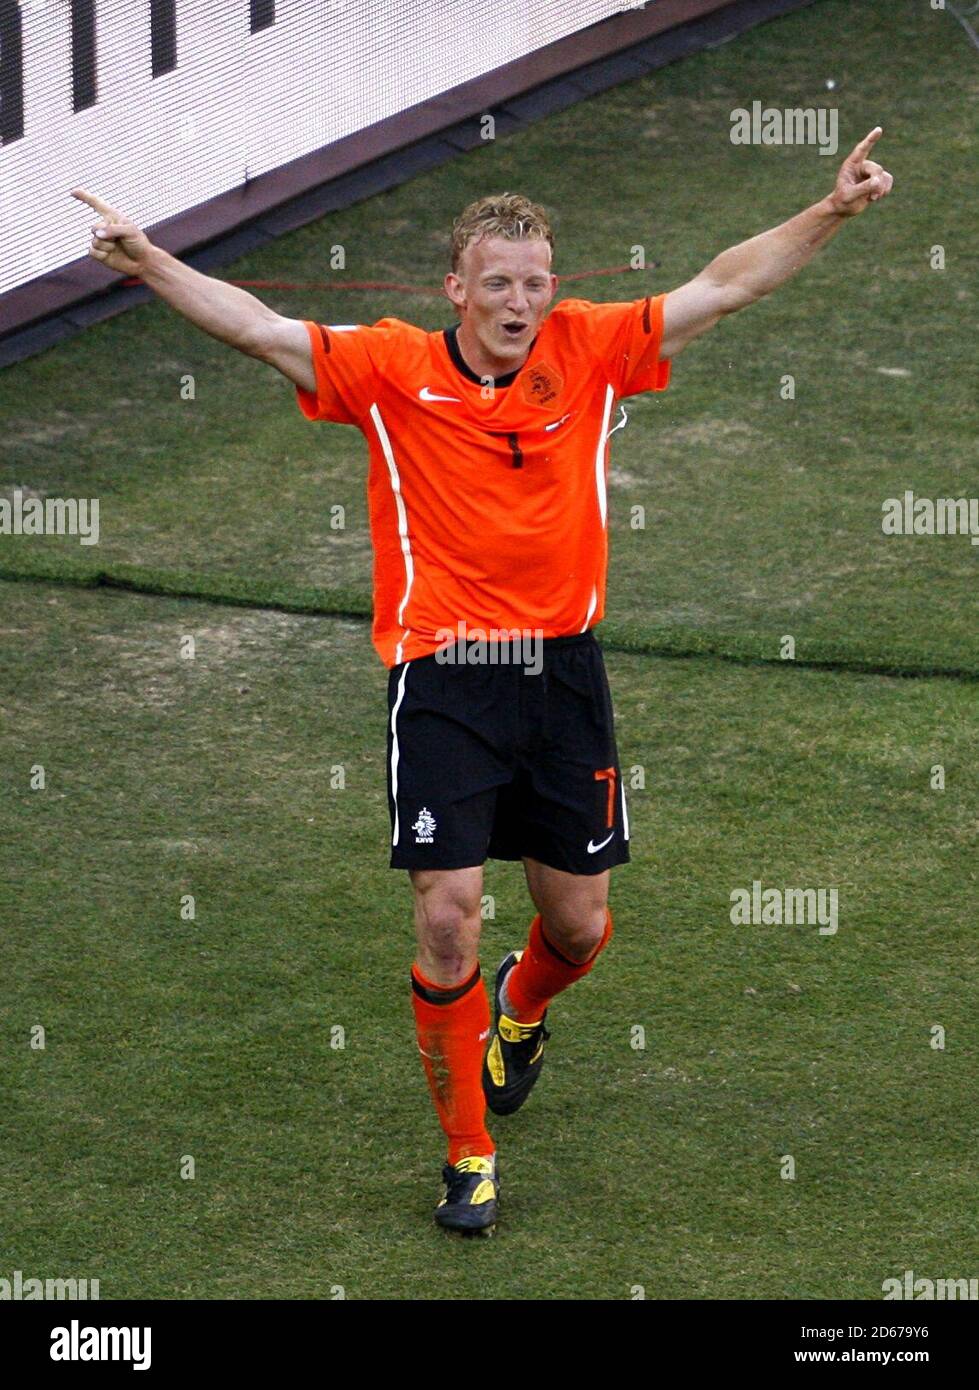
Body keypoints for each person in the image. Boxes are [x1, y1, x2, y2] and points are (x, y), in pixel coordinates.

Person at [71, 127, 892, 1234]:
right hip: (444, 677)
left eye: (536, 283)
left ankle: (521, 1006)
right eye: (498, 283)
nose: (519, 301)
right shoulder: (391, 367)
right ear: (455, 288)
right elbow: (260, 328)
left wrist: (830, 210)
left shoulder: (591, 347)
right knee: (447, 914)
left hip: (561, 676)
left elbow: (722, 284)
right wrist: (150, 259)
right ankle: (468, 1153)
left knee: (579, 929)